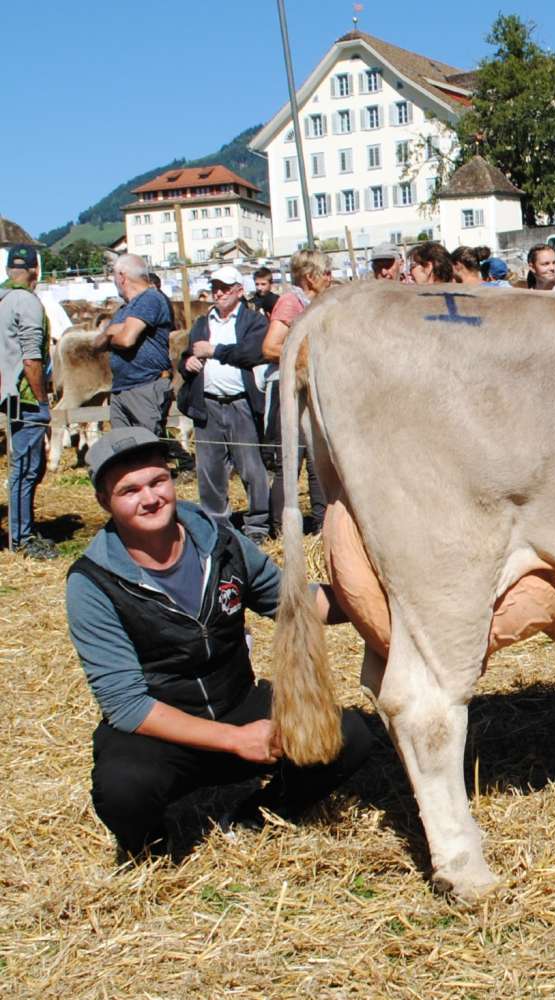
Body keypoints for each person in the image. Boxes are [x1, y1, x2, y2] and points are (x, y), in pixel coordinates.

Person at [66, 427, 372, 860]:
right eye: (129, 490)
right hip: (163, 730)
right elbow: (127, 705)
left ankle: (263, 810)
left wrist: (369, 598)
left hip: (238, 701)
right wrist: (234, 740)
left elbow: (288, 600)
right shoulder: (93, 582)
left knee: (348, 736)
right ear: (104, 501)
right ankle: (154, 844)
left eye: (157, 481)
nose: (150, 498)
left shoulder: (219, 540)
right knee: (123, 791)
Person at [178, 266, 271, 543]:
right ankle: (217, 525)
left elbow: (252, 353)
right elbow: (186, 354)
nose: (218, 292)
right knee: (209, 470)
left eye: (225, 287)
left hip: (240, 403)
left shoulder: (253, 322)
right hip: (208, 404)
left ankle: (257, 526)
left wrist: (214, 352)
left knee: (251, 467)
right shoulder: (202, 323)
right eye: (215, 286)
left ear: (239, 291)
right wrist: (187, 363)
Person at [262, 249, 331, 537]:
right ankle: (279, 529)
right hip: (291, 388)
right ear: (309, 276)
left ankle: (320, 524)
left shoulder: (321, 301)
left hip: (314, 387)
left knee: (318, 459)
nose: (330, 277)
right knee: (291, 460)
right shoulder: (291, 302)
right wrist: (308, 356)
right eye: (325, 271)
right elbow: (269, 347)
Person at [1, 245, 55, 558]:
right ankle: (21, 537)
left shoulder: (2, 297)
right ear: (35, 270)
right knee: (26, 467)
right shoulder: (27, 302)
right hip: (22, 398)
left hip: (3, 393)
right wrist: (42, 401)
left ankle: (21, 531)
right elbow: (31, 359)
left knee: (20, 467)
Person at [94, 254, 176, 437]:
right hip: (121, 389)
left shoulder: (150, 299)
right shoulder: (124, 309)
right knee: (125, 451)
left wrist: (112, 333)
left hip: (144, 387)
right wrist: (110, 332)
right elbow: (96, 345)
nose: (114, 281)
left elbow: (126, 340)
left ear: (122, 276)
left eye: (114, 276)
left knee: (147, 449)